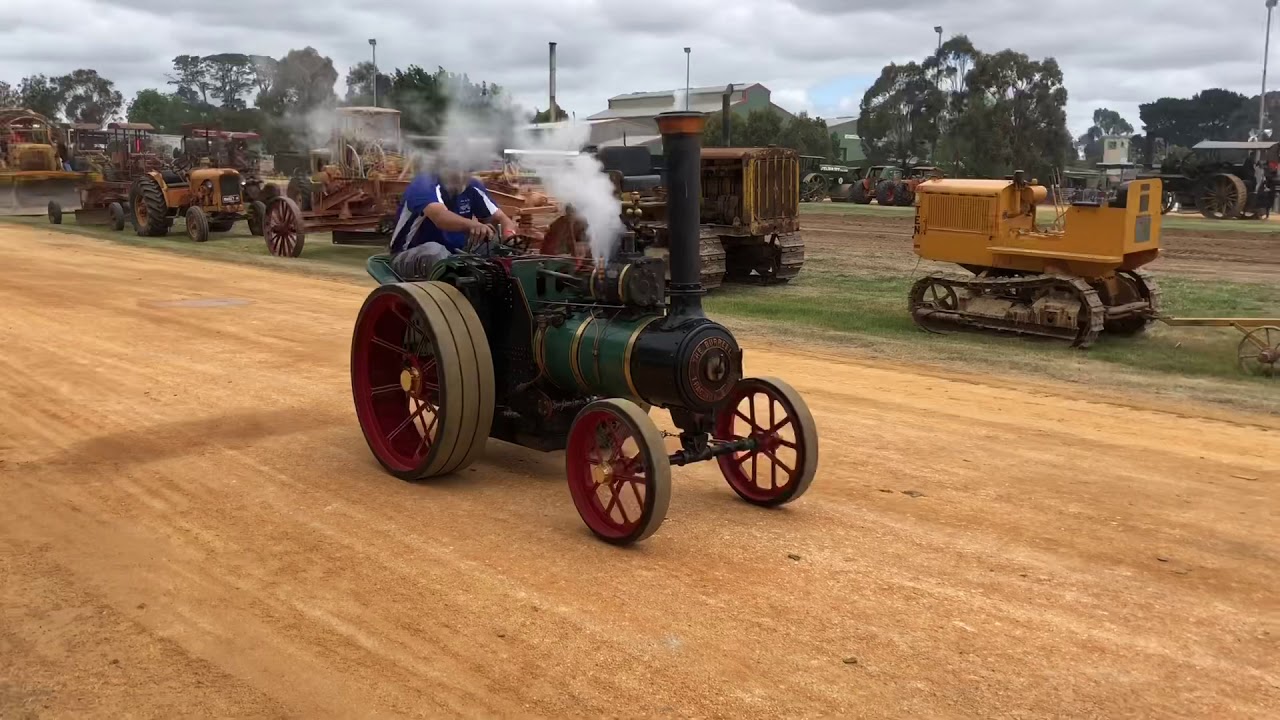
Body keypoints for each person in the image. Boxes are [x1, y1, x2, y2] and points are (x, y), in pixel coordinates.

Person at [389, 160, 519, 279]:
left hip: (457, 253)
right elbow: (441, 217)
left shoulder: (472, 186)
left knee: (498, 247)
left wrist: (509, 235)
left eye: (467, 171)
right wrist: (473, 225)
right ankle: (452, 291)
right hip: (409, 255)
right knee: (435, 252)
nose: (462, 176)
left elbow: (501, 219)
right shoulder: (424, 184)